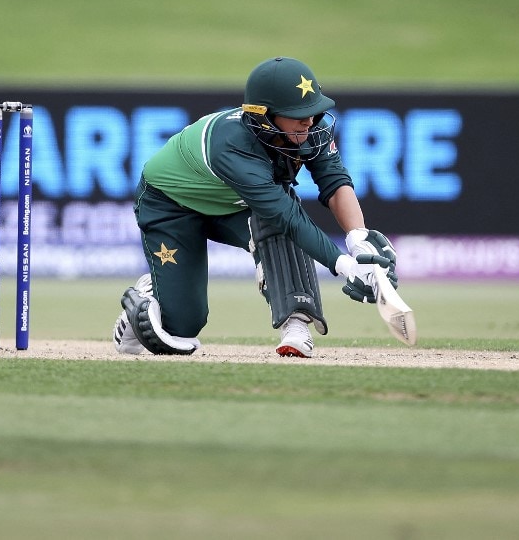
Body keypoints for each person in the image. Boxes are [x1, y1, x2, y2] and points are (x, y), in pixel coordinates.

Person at [112, 56, 397, 357]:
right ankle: (152, 290)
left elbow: (336, 182)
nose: (309, 121)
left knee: (274, 225)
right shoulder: (232, 146)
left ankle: (297, 324)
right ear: (265, 116)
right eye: (298, 113)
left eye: (313, 111)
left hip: (231, 204)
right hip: (169, 206)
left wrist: (358, 239)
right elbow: (286, 215)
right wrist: (346, 266)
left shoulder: (311, 127)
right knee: (183, 325)